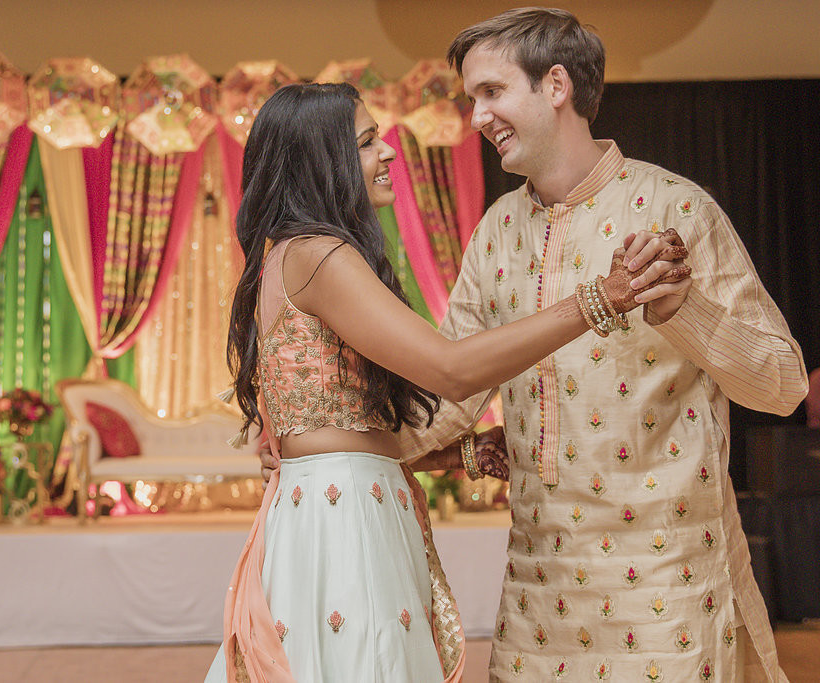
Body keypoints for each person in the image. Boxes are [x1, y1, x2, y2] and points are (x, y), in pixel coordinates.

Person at [207, 82, 690, 682]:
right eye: (365, 143)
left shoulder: (294, 253)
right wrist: (599, 299)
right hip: (344, 515)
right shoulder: (319, 253)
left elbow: (337, 420)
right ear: (320, 164)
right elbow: (452, 370)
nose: (387, 154)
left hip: (342, 501)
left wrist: (457, 453)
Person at [393, 8, 806, 682]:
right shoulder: (495, 230)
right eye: (471, 99)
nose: (475, 118)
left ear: (556, 85)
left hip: (667, 589)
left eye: (491, 93)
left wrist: (686, 310)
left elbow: (783, 385)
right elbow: (448, 394)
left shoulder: (677, 208)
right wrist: (328, 438)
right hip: (537, 589)